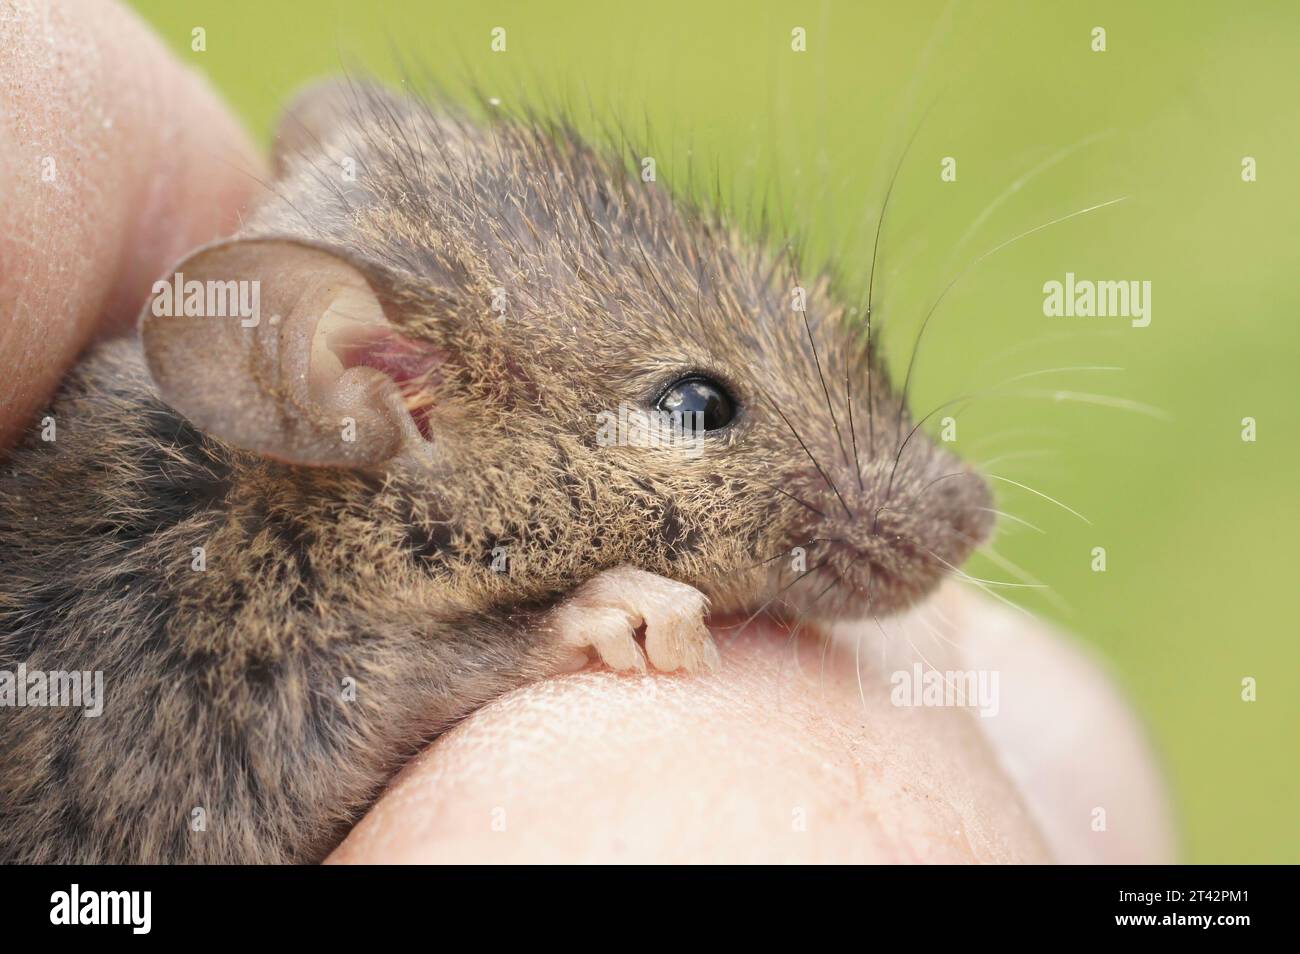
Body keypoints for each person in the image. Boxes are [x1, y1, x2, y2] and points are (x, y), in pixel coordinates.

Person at [1, 0, 1174, 864]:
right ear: (386, 387)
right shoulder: (175, 576)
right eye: (695, 409)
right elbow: (193, 806)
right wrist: (521, 649)